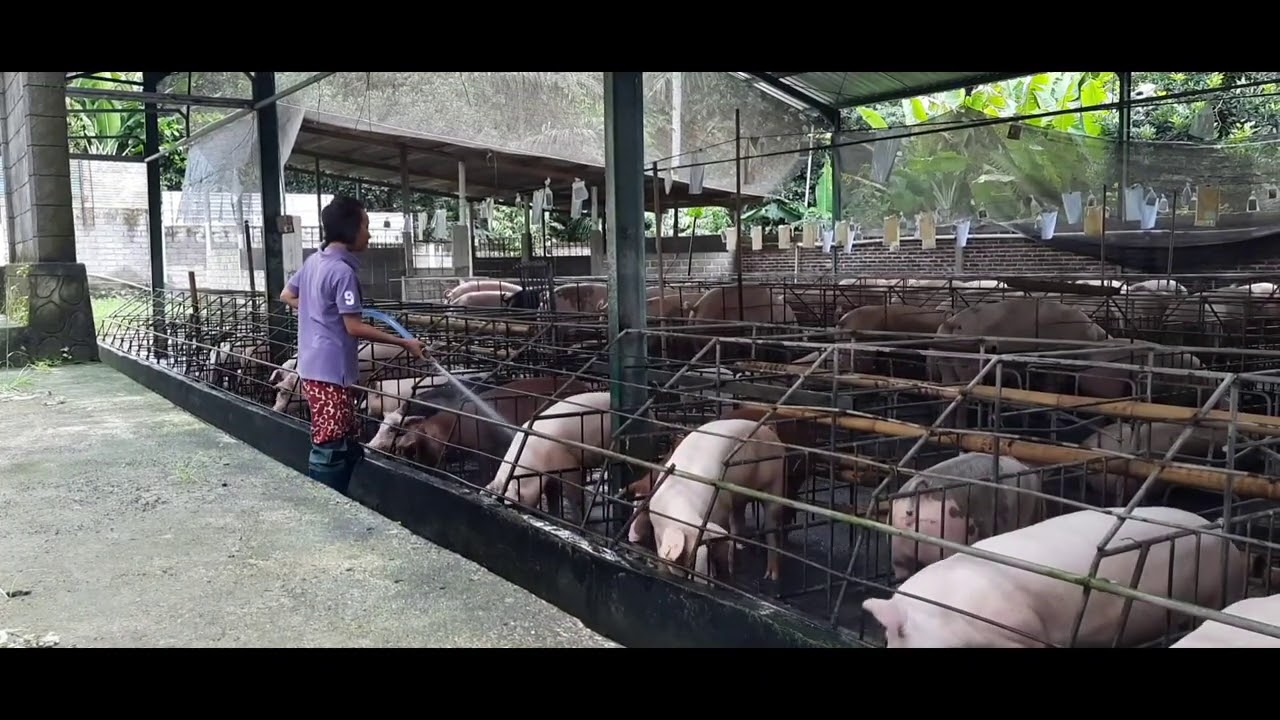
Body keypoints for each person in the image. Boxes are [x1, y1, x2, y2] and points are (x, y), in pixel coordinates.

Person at [280, 196, 427, 492]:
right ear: (350, 229)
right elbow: (353, 326)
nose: (369, 234)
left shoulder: (314, 261)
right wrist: (404, 342)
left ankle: (343, 492)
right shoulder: (342, 272)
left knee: (342, 434)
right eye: (366, 226)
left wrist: (318, 311)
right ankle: (326, 502)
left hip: (314, 365)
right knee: (330, 441)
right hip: (330, 370)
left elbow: (287, 294)